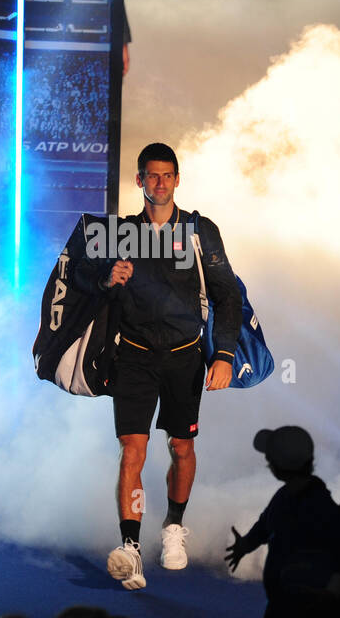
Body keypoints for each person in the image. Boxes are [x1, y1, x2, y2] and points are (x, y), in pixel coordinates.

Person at [71, 143, 242, 589]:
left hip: (185, 357)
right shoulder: (122, 232)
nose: (160, 183)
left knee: (181, 448)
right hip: (134, 355)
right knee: (133, 449)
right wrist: (108, 279)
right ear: (140, 181)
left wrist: (223, 355)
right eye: (152, 176)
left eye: (167, 175)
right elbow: (81, 278)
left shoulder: (199, 229)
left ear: (177, 180)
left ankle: (172, 528)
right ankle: (130, 548)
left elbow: (228, 294)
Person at [225, 427, 340, 618]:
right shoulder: (285, 497)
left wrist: (331, 593)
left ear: (277, 465)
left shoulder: (319, 507)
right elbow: (265, 525)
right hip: (283, 604)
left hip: (305, 609)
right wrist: (246, 544)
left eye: (270, 457)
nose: (267, 462)